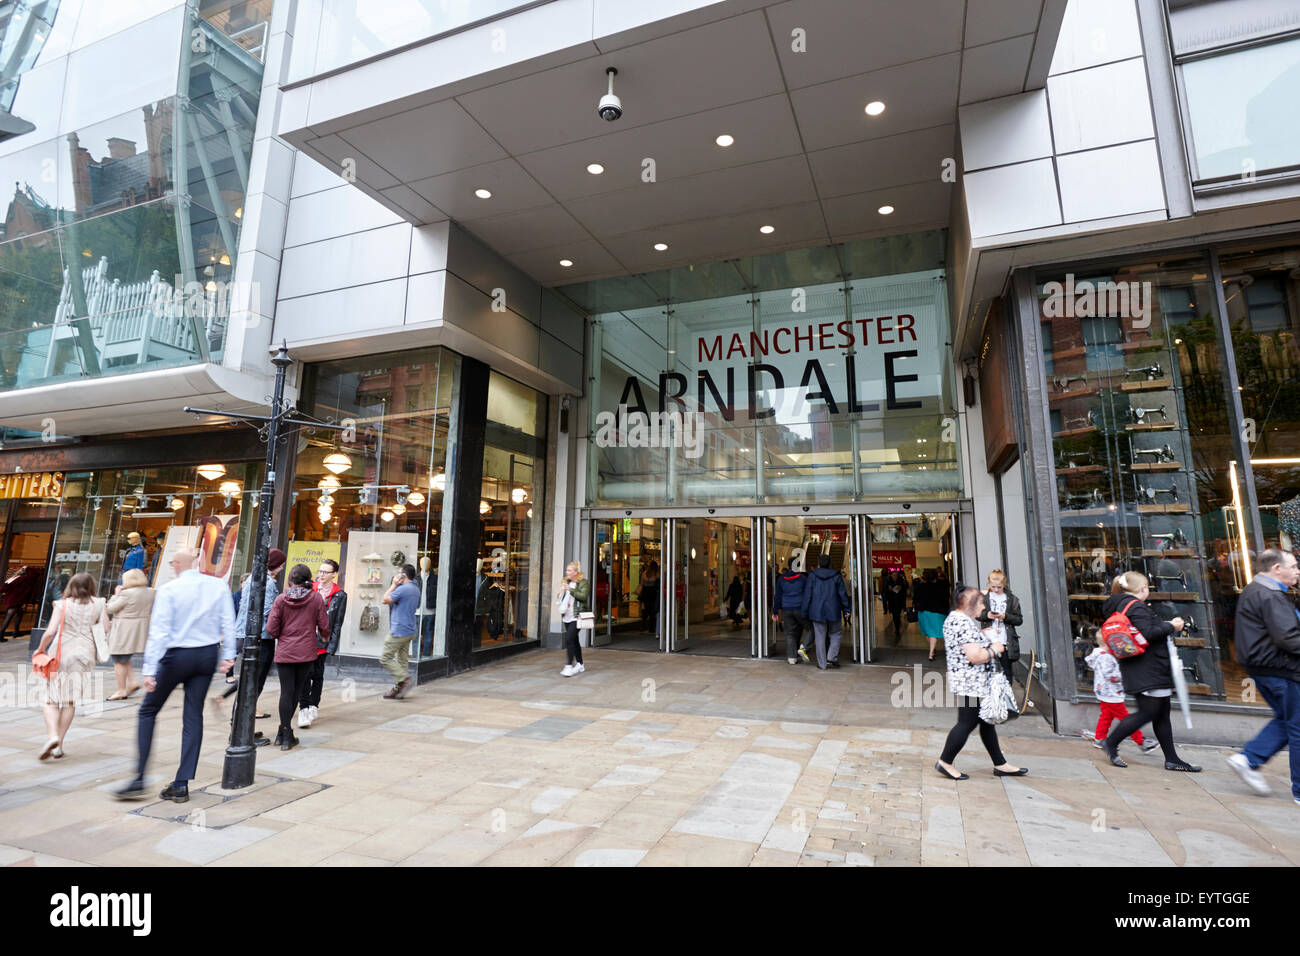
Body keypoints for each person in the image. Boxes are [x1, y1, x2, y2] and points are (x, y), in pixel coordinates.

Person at [114, 549, 236, 802]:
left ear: (179, 564)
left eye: (172, 563)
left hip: (177, 655)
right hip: (206, 655)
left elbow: (159, 631)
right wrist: (229, 656)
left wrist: (149, 670)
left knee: (148, 710)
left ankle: (139, 778)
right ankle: (181, 783)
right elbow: (228, 621)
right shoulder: (217, 586)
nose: (172, 566)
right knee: (193, 714)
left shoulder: (170, 590)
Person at [1099, 572, 1198, 771]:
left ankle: (1172, 759)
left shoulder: (1122, 605)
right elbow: (1148, 634)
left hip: (1143, 667)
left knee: (1161, 713)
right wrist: (1172, 625)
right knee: (1149, 712)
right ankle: (1111, 742)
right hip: (1148, 667)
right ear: (1143, 589)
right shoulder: (1136, 607)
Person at [1225, 548, 1300, 802]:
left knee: (1288, 719)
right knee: (1296, 725)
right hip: (1279, 669)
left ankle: (1249, 758)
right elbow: (1288, 638)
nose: (1297, 571)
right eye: (1294, 566)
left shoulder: (1256, 591)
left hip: (1266, 667)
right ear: (1277, 568)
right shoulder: (1269, 596)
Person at [935, 587, 1027, 780]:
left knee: (986, 722)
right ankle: (945, 761)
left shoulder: (956, 619)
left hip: (969, 681)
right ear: (970, 604)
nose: (984, 606)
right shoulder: (963, 623)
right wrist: (995, 649)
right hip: (971, 683)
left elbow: (965, 644)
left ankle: (1000, 763)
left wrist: (982, 634)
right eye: (981, 603)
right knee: (967, 723)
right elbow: (975, 656)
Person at [32, 573, 108, 760]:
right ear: (92, 586)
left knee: (50, 699)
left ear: (70, 586)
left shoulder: (61, 604)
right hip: (84, 654)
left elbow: (50, 632)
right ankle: (59, 746)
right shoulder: (99, 603)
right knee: (69, 701)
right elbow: (106, 628)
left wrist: (40, 649)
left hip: (61, 653)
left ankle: (53, 736)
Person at [266, 564, 330, 750]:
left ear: (291, 580)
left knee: (286, 691)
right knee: (296, 691)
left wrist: (282, 637)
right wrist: (324, 637)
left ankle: (284, 731)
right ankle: (285, 733)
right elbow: (324, 625)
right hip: (306, 652)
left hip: (285, 651)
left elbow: (271, 628)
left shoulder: (280, 599)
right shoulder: (316, 598)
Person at [222, 549, 285, 713]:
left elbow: (245, 604)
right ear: (276, 564)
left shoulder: (251, 578)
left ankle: (240, 719)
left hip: (244, 633)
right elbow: (267, 612)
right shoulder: (268, 582)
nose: (283, 567)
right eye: (281, 564)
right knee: (256, 680)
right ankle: (242, 721)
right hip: (261, 636)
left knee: (249, 679)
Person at [1084, 632, 1158, 753]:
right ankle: (1141, 741)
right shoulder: (1106, 657)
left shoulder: (1100, 655)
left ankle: (1099, 738)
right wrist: (1123, 674)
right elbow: (1109, 675)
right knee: (1127, 719)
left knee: (1106, 716)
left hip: (1105, 692)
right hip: (1111, 693)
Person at [299, 558, 346, 728]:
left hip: (322, 641)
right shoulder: (308, 589)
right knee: (305, 675)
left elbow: (338, 622)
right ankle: (303, 707)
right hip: (305, 639)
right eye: (320, 571)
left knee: (317, 674)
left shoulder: (340, 595)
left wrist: (332, 645)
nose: (322, 575)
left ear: (334, 574)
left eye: (326, 572)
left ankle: (313, 704)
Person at [106, 568, 155, 700]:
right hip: (139, 629)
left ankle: (121, 690)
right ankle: (133, 682)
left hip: (123, 630)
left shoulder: (126, 594)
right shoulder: (151, 592)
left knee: (118, 659)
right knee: (124, 658)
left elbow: (109, 609)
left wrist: (116, 594)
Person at [801, 554, 851, 670]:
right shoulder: (836, 575)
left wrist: (804, 611)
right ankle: (831, 656)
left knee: (819, 637)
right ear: (830, 563)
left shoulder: (812, 575)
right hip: (833, 610)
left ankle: (822, 664)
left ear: (819, 563)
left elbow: (807, 594)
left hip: (817, 611)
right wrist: (847, 609)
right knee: (836, 634)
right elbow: (842, 594)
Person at [380, 563, 420, 698]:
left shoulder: (403, 589)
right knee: (402, 660)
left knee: (385, 658)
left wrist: (393, 584)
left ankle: (405, 680)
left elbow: (384, 600)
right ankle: (398, 689)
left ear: (404, 575)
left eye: (399, 573)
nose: (396, 575)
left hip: (399, 629)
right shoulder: (415, 588)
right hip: (409, 628)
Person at [977, 570, 1024, 684]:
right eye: (993, 587)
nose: (996, 590)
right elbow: (977, 615)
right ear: (989, 584)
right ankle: (991, 699)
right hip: (989, 639)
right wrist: (987, 615)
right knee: (988, 671)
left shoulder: (1013, 599)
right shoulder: (983, 597)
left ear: (1004, 585)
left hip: (1005, 640)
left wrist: (1005, 616)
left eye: (999, 587)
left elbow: (1019, 620)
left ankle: (1006, 699)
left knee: (1007, 671)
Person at [772, 562, 811, 664]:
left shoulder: (781, 579)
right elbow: (808, 594)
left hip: (786, 609)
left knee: (790, 633)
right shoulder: (803, 578)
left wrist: (775, 611)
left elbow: (778, 596)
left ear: (789, 566)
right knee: (811, 629)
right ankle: (804, 647)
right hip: (800, 608)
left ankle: (791, 658)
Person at [557, 561, 590, 676]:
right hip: (567, 615)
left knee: (569, 639)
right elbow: (560, 599)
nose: (567, 572)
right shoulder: (566, 582)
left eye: (570, 570)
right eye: (567, 570)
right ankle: (580, 664)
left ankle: (569, 665)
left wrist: (570, 590)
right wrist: (560, 593)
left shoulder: (583, 583)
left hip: (577, 616)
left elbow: (583, 596)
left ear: (576, 572)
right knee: (574, 640)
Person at [0, 565, 42, 641]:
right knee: (8, 617)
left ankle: (16, 631)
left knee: (20, 612)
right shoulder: (24, 579)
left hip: (10, 599)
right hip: (15, 600)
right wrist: (28, 568)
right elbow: (35, 574)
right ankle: (1, 634)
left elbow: (3, 589)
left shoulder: (13, 578)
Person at [915, 568, 948, 661]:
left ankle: (932, 651)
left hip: (924, 612)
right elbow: (946, 598)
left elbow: (916, 598)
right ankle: (931, 652)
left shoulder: (921, 586)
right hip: (938, 613)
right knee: (933, 633)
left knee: (927, 632)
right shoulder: (942, 585)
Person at [884, 570, 909, 638]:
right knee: (895, 615)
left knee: (897, 614)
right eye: (893, 575)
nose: (895, 577)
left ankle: (897, 627)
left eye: (896, 575)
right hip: (892, 602)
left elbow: (904, 592)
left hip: (899, 602)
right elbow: (885, 592)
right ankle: (897, 627)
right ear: (891, 576)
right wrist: (890, 591)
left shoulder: (901, 582)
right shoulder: (888, 582)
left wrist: (904, 605)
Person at [640, 562, 660, 636]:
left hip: (645, 593)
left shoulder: (644, 573)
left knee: (645, 610)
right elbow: (658, 583)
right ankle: (651, 628)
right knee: (652, 611)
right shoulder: (656, 574)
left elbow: (641, 584)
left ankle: (643, 626)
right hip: (653, 594)